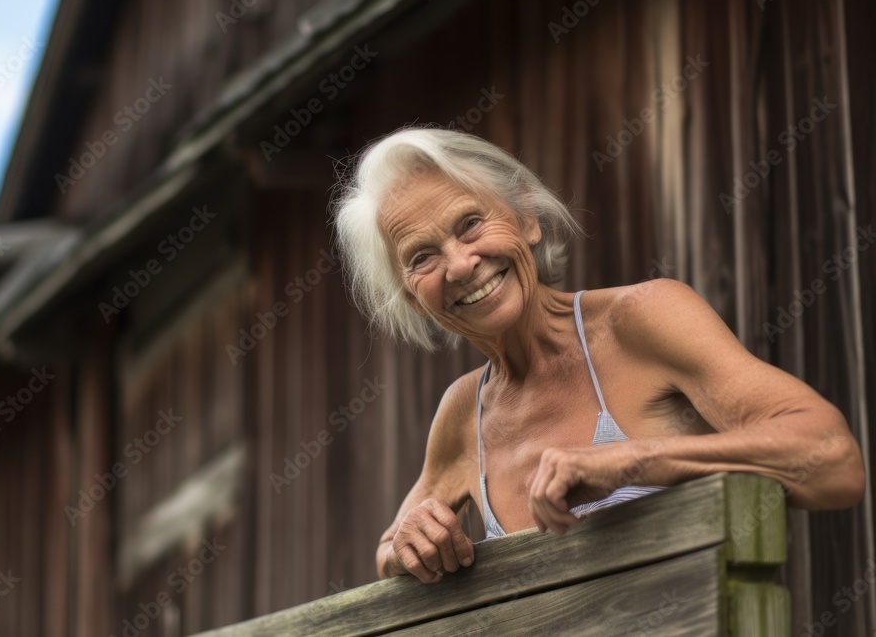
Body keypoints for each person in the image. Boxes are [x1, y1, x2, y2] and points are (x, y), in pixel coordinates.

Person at [331, 127, 866, 584]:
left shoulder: (642, 320)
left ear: (526, 218)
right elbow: (391, 549)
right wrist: (408, 546)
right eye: (422, 257)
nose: (461, 264)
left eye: (470, 224)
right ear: (412, 299)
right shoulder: (461, 414)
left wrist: (635, 460)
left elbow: (834, 460)